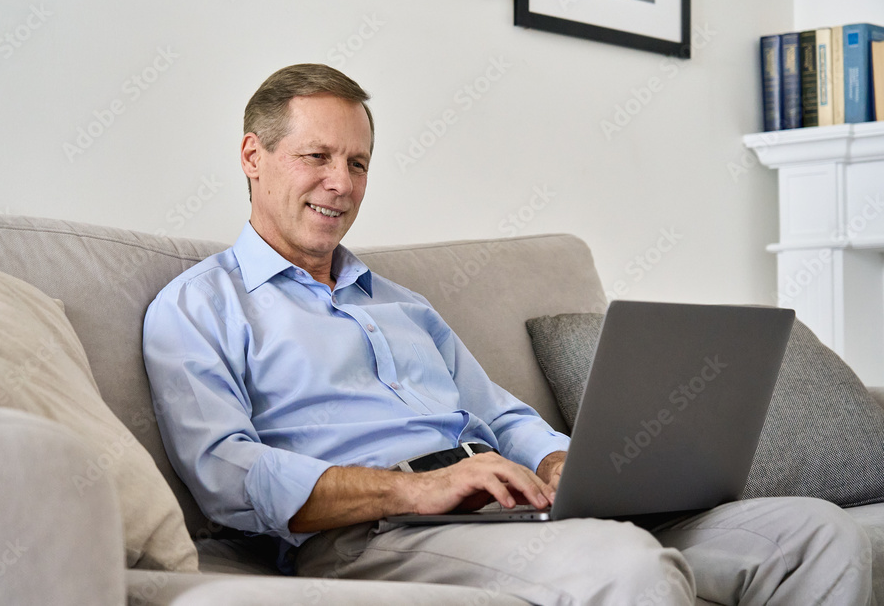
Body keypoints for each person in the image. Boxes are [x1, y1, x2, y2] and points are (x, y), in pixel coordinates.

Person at [143, 63, 872, 605]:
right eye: (317, 157)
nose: (342, 182)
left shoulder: (401, 304)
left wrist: (560, 459)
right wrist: (417, 488)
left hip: (503, 505)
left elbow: (499, 413)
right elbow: (228, 476)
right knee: (622, 563)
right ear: (253, 157)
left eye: (358, 163)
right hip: (375, 536)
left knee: (817, 534)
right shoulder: (200, 306)